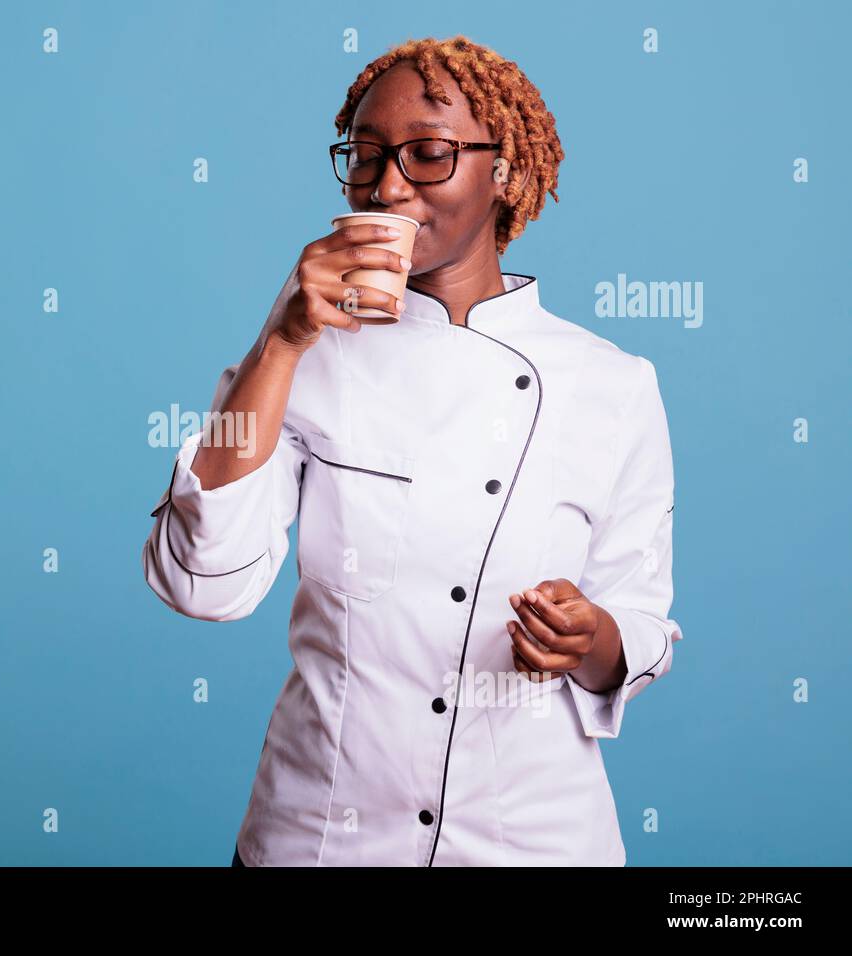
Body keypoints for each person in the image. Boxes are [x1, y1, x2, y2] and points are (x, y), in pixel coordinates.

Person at [143, 35, 683, 867]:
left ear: (503, 172)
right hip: (319, 841)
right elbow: (198, 580)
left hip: (533, 844)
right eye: (364, 158)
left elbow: (641, 623)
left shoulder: (613, 384)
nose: (389, 186)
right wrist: (282, 342)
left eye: (428, 154)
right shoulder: (298, 353)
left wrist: (591, 638)